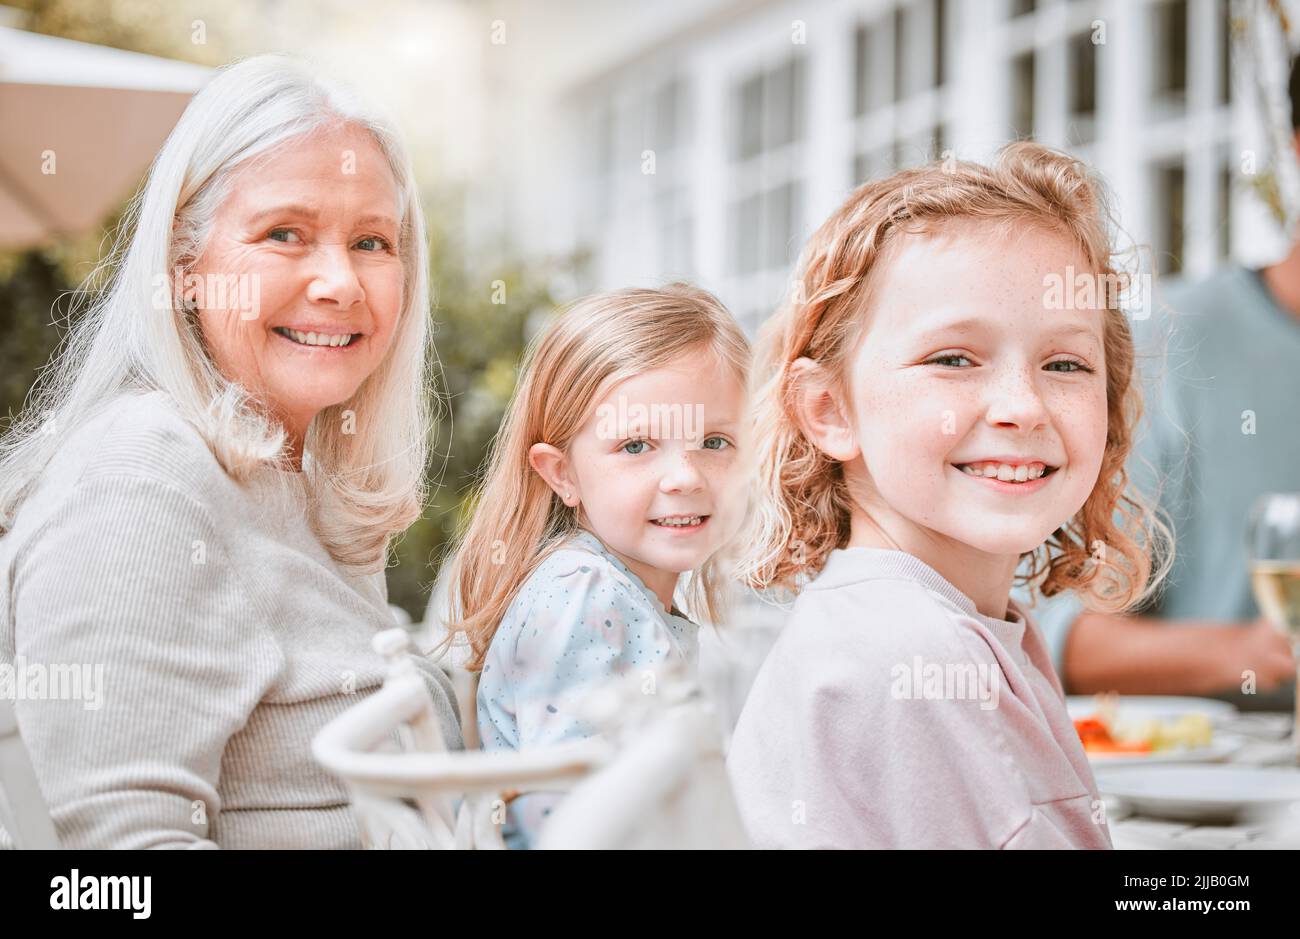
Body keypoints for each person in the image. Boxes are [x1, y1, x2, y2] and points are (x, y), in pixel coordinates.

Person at [0, 55, 461, 849]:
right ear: (184, 269)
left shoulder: (292, 474)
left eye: (371, 241)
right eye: (285, 233)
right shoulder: (141, 480)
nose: (340, 282)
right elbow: (116, 871)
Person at [725, 143, 1169, 848]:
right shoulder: (913, 652)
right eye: (953, 359)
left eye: (1064, 363)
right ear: (830, 409)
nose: (1022, 406)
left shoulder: (939, 623)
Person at [441, 285, 749, 848]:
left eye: (714, 440)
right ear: (562, 474)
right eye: (636, 446)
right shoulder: (584, 594)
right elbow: (568, 822)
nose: (685, 476)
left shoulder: (620, 588)